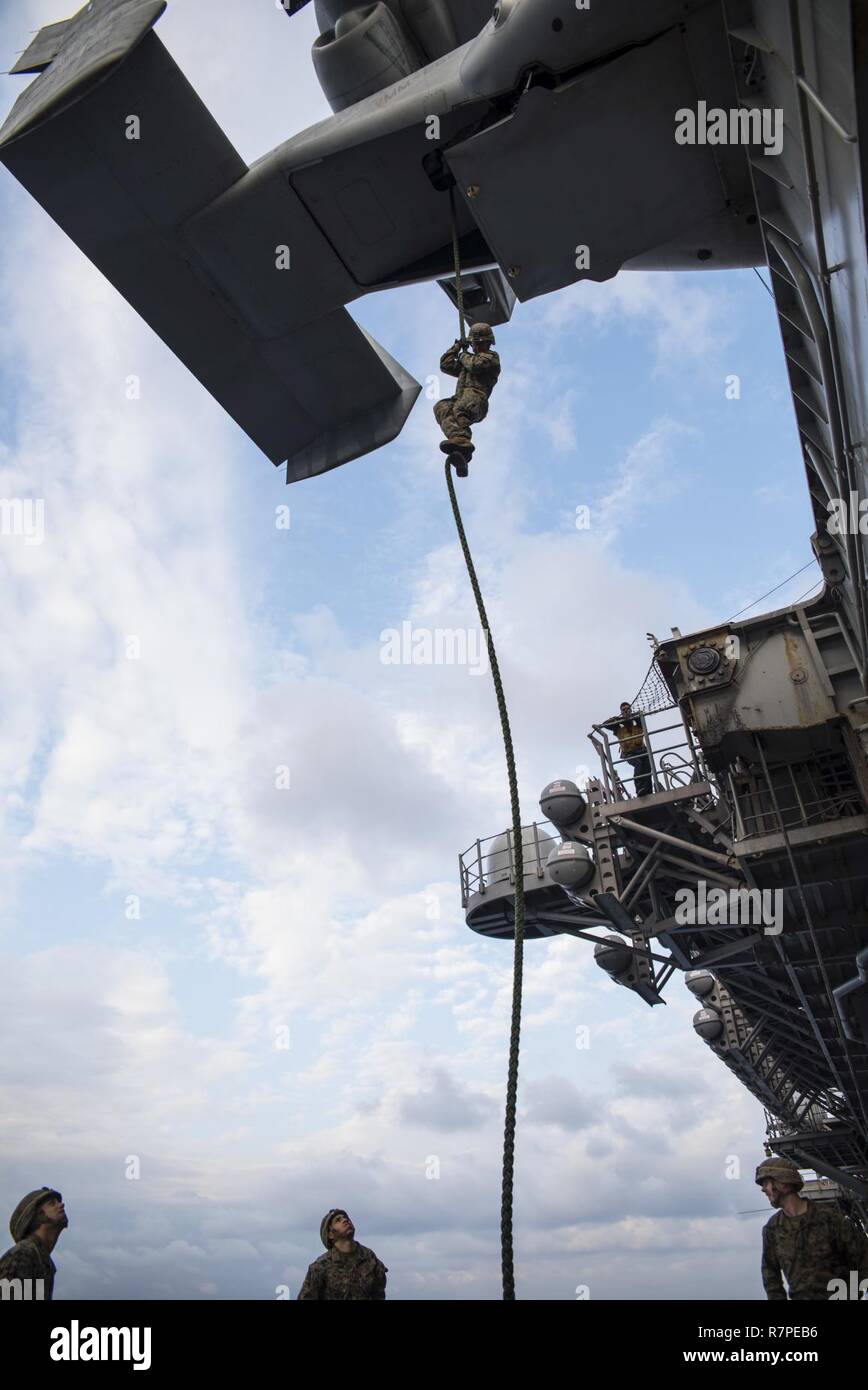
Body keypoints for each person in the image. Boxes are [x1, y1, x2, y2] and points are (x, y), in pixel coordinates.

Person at [756, 1156, 868, 1300]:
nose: (764, 1190)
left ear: (782, 1183)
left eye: (766, 1183)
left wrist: (851, 1295)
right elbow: (771, 1278)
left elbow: (863, 1257)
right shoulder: (773, 1229)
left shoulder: (829, 1218)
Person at [433, 322, 500, 475]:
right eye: (474, 344)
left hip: (476, 400)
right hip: (461, 398)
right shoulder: (467, 360)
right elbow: (446, 365)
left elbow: (475, 365)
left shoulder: (491, 358)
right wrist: (456, 348)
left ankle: (463, 442)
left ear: (487, 343)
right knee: (442, 408)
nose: (475, 347)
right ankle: (461, 450)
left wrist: (463, 355)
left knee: (460, 408)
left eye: (478, 343)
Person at [297, 1209, 387, 1300]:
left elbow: (379, 1295)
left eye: (346, 1218)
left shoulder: (370, 1260)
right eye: (338, 1220)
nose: (345, 1220)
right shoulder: (320, 1267)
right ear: (330, 1234)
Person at [0, 1188, 68, 1300]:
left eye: (58, 1202)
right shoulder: (23, 1254)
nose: (61, 1205)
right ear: (37, 1216)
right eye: (52, 1204)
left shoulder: (44, 1261)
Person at [607, 702, 653, 796]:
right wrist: (616, 719)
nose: (626, 711)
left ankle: (648, 790)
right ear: (621, 711)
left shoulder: (637, 722)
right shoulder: (618, 726)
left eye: (627, 709)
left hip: (642, 750)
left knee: (648, 768)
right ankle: (639, 789)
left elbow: (641, 717)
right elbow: (606, 725)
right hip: (629, 754)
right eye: (623, 710)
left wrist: (633, 715)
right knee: (638, 764)